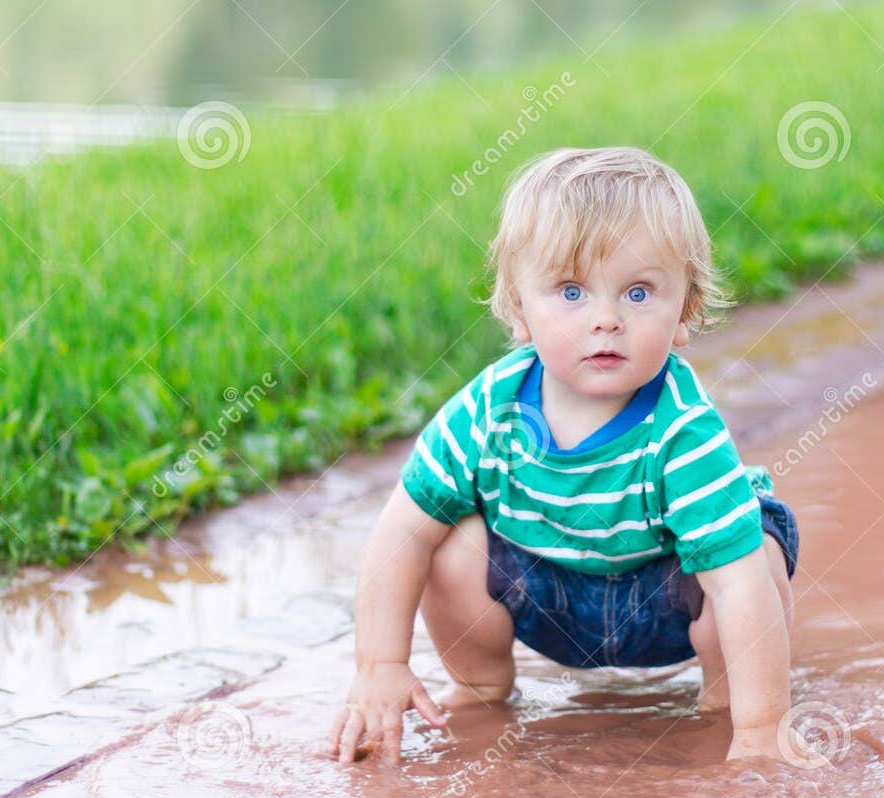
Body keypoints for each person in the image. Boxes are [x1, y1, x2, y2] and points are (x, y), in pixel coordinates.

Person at [327, 146, 801, 766]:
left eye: (637, 293)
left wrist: (763, 730)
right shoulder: (489, 411)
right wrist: (380, 664)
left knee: (753, 554)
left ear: (684, 314)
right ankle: (478, 690)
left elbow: (736, 586)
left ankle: (730, 709)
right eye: (571, 291)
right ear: (519, 311)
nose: (605, 320)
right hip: (543, 595)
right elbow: (400, 534)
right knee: (448, 537)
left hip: (666, 596)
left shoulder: (683, 430)